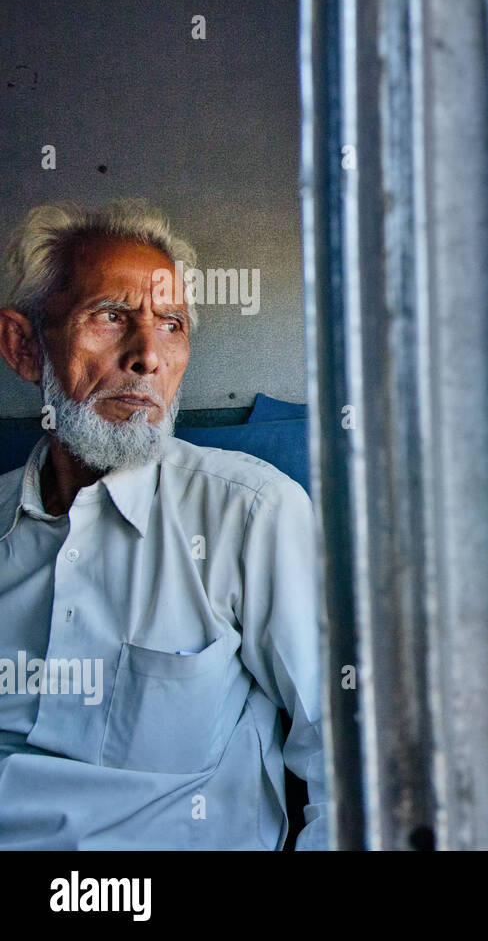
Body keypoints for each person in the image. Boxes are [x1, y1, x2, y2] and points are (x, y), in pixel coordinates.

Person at [0, 200, 327, 849]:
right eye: (111, 316)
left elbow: (349, 756)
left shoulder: (249, 512)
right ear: (24, 346)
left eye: (171, 324)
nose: (147, 354)